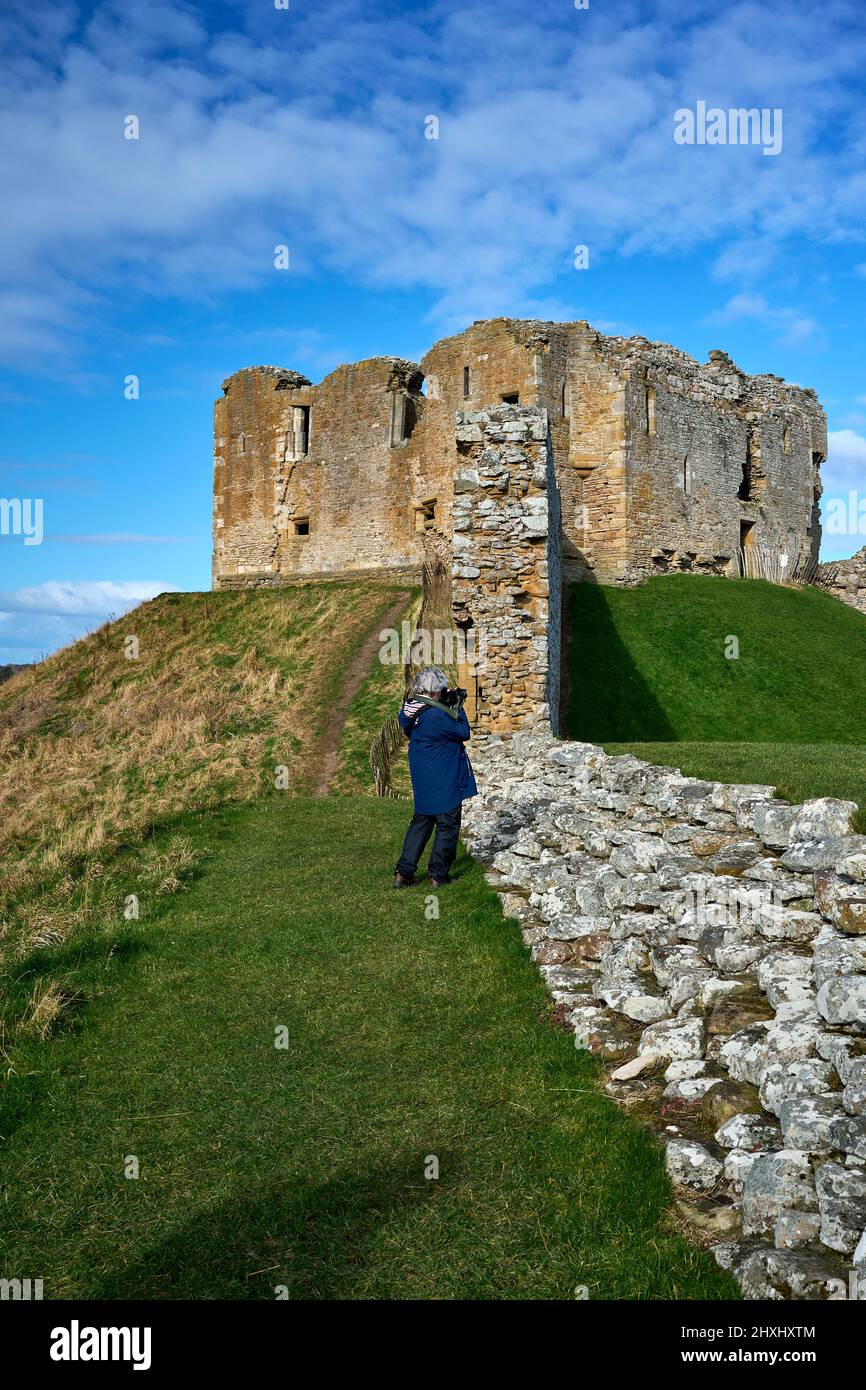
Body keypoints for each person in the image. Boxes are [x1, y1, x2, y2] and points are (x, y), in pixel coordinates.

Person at [393, 666, 477, 888]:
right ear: (433, 692)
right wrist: (458, 705)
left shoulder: (410, 710)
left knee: (421, 821)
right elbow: (463, 732)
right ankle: (439, 875)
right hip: (443, 776)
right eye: (440, 690)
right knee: (447, 825)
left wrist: (446, 704)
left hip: (423, 775)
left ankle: (403, 873)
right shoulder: (436, 715)